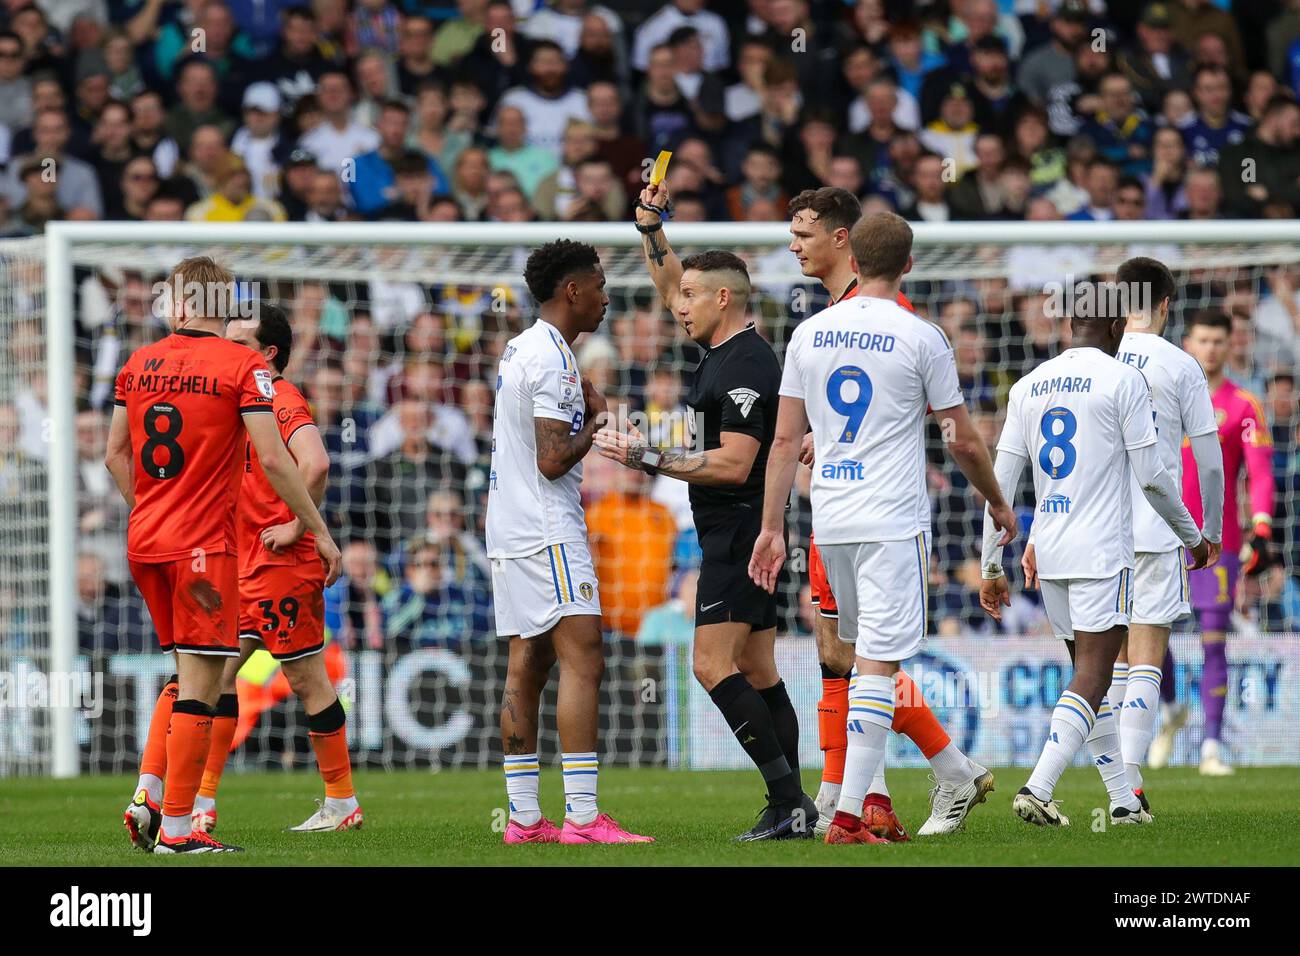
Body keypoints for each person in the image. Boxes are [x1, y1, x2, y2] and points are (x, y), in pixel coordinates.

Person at [750, 211, 1017, 846]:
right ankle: (847, 817)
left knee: (853, 659)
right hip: (892, 519)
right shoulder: (922, 336)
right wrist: (998, 502)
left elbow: (785, 439)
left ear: (854, 258)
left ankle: (881, 794)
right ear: (909, 266)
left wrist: (771, 526)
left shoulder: (808, 334)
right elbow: (960, 439)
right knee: (875, 664)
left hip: (831, 517)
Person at [594, 180, 815, 840]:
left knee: (711, 666)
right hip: (741, 530)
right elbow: (668, 283)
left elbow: (735, 463)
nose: (676, 306)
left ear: (724, 298)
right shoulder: (720, 350)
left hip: (738, 533)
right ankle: (792, 806)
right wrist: (651, 229)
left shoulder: (745, 364)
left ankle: (789, 800)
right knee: (759, 669)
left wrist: (648, 459)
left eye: (691, 297)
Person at [109, 258, 340, 854]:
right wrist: (315, 529)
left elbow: (115, 455)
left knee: (188, 675)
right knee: (202, 688)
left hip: (144, 543)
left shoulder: (135, 364)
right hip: (206, 550)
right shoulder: (242, 366)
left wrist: (150, 507)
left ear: (178, 305)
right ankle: (178, 829)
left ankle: (151, 793)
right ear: (223, 304)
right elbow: (276, 459)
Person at [980, 282, 1208, 827]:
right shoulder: (1123, 379)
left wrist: (993, 562)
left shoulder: (1030, 384)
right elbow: (1153, 478)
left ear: (1068, 327)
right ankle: (1038, 786)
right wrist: (1192, 534)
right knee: (1094, 677)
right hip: (1104, 552)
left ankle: (1125, 802)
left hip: (1049, 553)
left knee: (1093, 679)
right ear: (1117, 328)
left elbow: (1000, 483)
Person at [486, 239, 651, 845]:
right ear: (573, 291)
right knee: (585, 655)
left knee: (527, 663)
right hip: (546, 526)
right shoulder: (553, 359)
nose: (607, 299)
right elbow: (554, 458)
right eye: (600, 288)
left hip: (507, 524)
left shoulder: (523, 346)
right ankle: (583, 817)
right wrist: (601, 421)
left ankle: (525, 818)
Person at [190, 303, 363, 836]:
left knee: (305, 676)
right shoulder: (240, 404)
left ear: (267, 355)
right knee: (217, 675)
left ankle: (341, 802)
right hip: (241, 562)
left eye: (239, 344)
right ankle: (202, 802)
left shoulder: (280, 397)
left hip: (279, 563)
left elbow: (316, 462)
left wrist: (295, 527)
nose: (227, 351)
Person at [1108, 258, 1224, 812]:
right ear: (1165, 304)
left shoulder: (1088, 362)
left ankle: (1098, 781)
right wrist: (1210, 529)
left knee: (1105, 661)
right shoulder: (1181, 365)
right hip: (1156, 526)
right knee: (1148, 659)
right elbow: (1210, 462)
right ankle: (1128, 788)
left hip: (1092, 528)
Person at [1149, 310, 1276, 775]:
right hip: (1159, 535)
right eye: (1203, 340)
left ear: (1229, 344)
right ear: (1187, 342)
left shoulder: (1244, 405)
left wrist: (1261, 524)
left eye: (1219, 341)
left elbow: (1260, 473)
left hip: (1215, 542)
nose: (1211, 349)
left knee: (1214, 642)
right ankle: (1169, 709)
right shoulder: (1157, 397)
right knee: (1150, 634)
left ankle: (1211, 747)